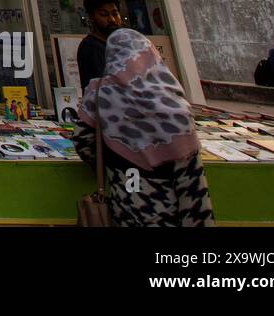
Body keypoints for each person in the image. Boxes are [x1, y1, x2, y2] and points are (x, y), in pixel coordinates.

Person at [72, 29, 214, 226]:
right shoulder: (174, 105)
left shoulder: (100, 94)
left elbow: (83, 142)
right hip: (168, 213)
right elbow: (192, 188)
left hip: (123, 207)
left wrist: (113, 159)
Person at [77, 0, 123, 89]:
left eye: (115, 14)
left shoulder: (120, 44)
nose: (112, 19)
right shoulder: (91, 47)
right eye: (104, 14)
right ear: (91, 17)